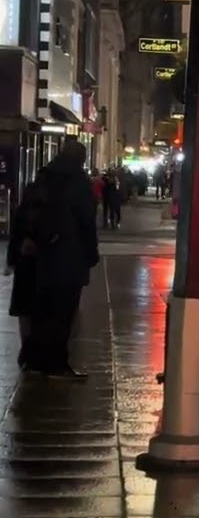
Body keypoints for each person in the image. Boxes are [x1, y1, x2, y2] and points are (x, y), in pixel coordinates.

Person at [27, 140, 99, 377]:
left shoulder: (45, 175)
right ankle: (57, 363)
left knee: (43, 310)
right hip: (70, 254)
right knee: (64, 312)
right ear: (82, 158)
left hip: (44, 253)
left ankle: (35, 361)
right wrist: (91, 253)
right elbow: (87, 221)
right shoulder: (78, 182)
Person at [6, 181, 44, 370]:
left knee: (24, 311)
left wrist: (11, 262)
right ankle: (34, 349)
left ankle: (26, 348)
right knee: (39, 309)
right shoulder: (47, 213)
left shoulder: (21, 212)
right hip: (41, 267)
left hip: (23, 267)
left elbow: (14, 238)